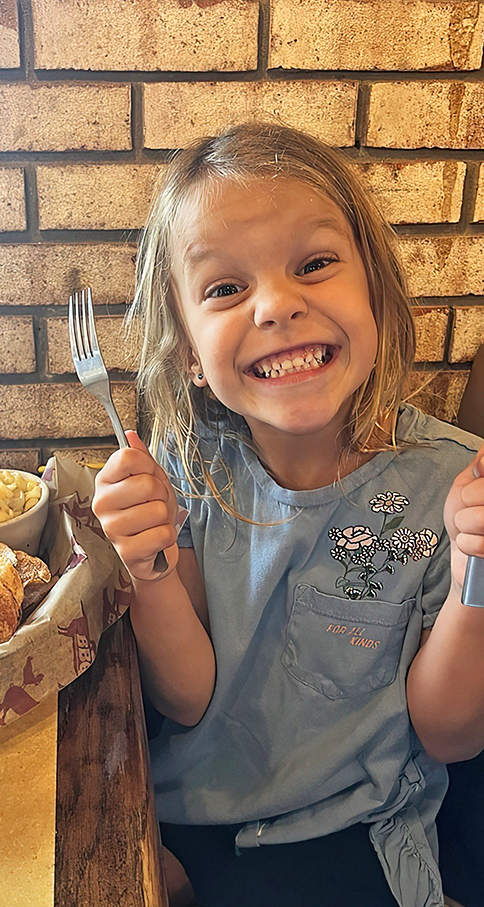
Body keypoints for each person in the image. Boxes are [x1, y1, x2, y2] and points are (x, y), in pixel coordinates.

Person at [91, 122, 484, 907]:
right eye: (225, 288)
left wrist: (478, 569)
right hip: (191, 814)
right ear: (192, 358)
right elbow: (188, 695)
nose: (275, 305)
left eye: (314, 265)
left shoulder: (449, 480)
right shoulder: (187, 465)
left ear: (373, 288)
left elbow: (451, 734)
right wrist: (146, 566)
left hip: (349, 831)